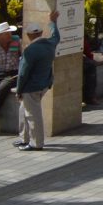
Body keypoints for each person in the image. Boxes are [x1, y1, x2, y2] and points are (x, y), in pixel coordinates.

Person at [14, 11, 60, 151]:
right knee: (24, 111)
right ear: (40, 33)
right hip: (44, 84)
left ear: (29, 35)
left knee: (33, 115)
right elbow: (56, 35)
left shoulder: (30, 51)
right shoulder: (50, 44)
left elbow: (22, 74)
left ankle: (36, 143)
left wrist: (19, 90)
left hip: (31, 88)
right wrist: (53, 21)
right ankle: (24, 138)